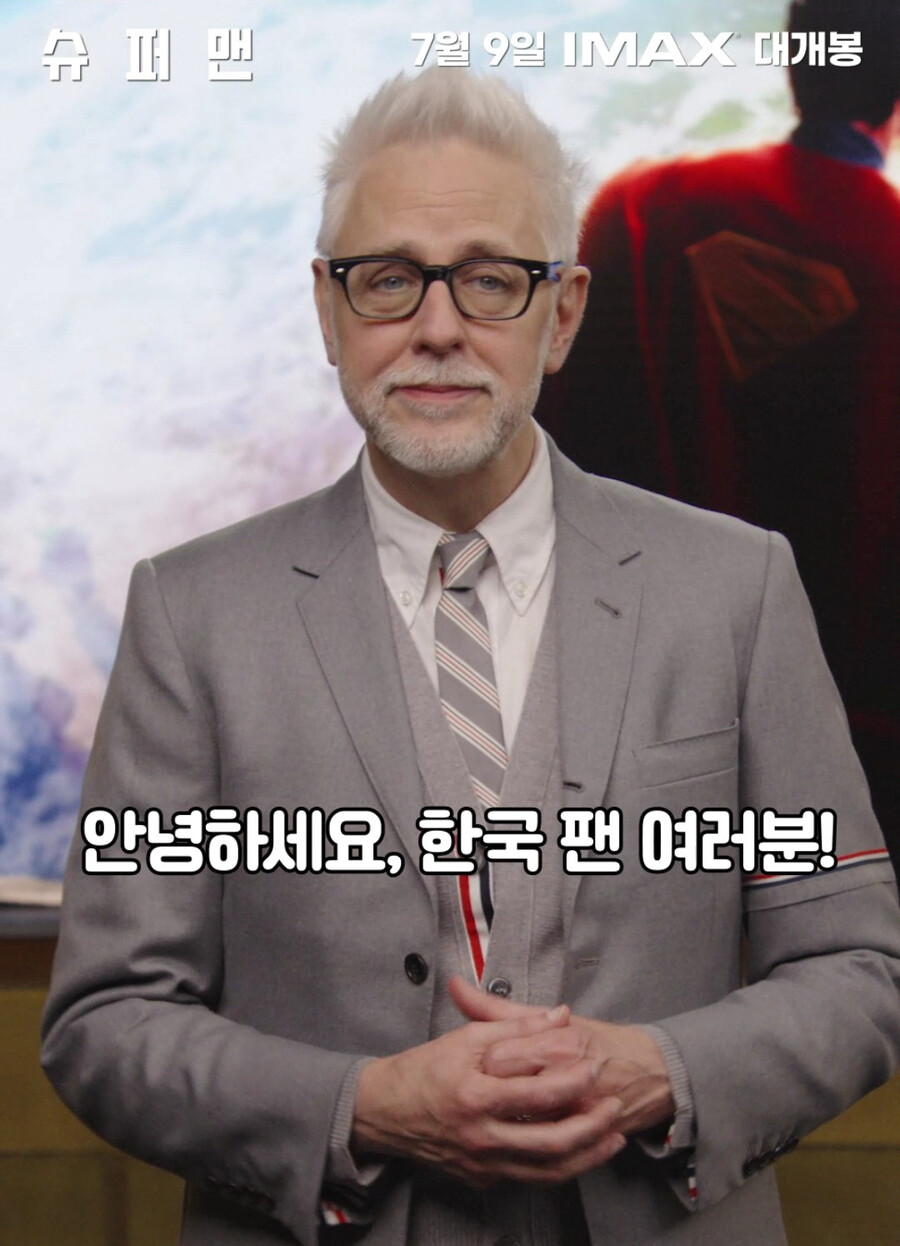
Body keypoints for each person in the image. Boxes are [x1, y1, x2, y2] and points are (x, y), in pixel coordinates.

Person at [41, 68, 900, 1246]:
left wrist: (664, 1072)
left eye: (492, 278)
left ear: (565, 312)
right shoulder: (189, 614)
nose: (438, 328)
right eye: (389, 278)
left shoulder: (737, 587)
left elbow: (858, 967)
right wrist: (362, 1107)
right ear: (328, 309)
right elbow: (104, 1019)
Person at [538, 0, 900, 872]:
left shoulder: (639, 208)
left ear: (795, 57)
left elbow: (543, 442)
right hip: (848, 755)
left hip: (626, 724)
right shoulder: (889, 252)